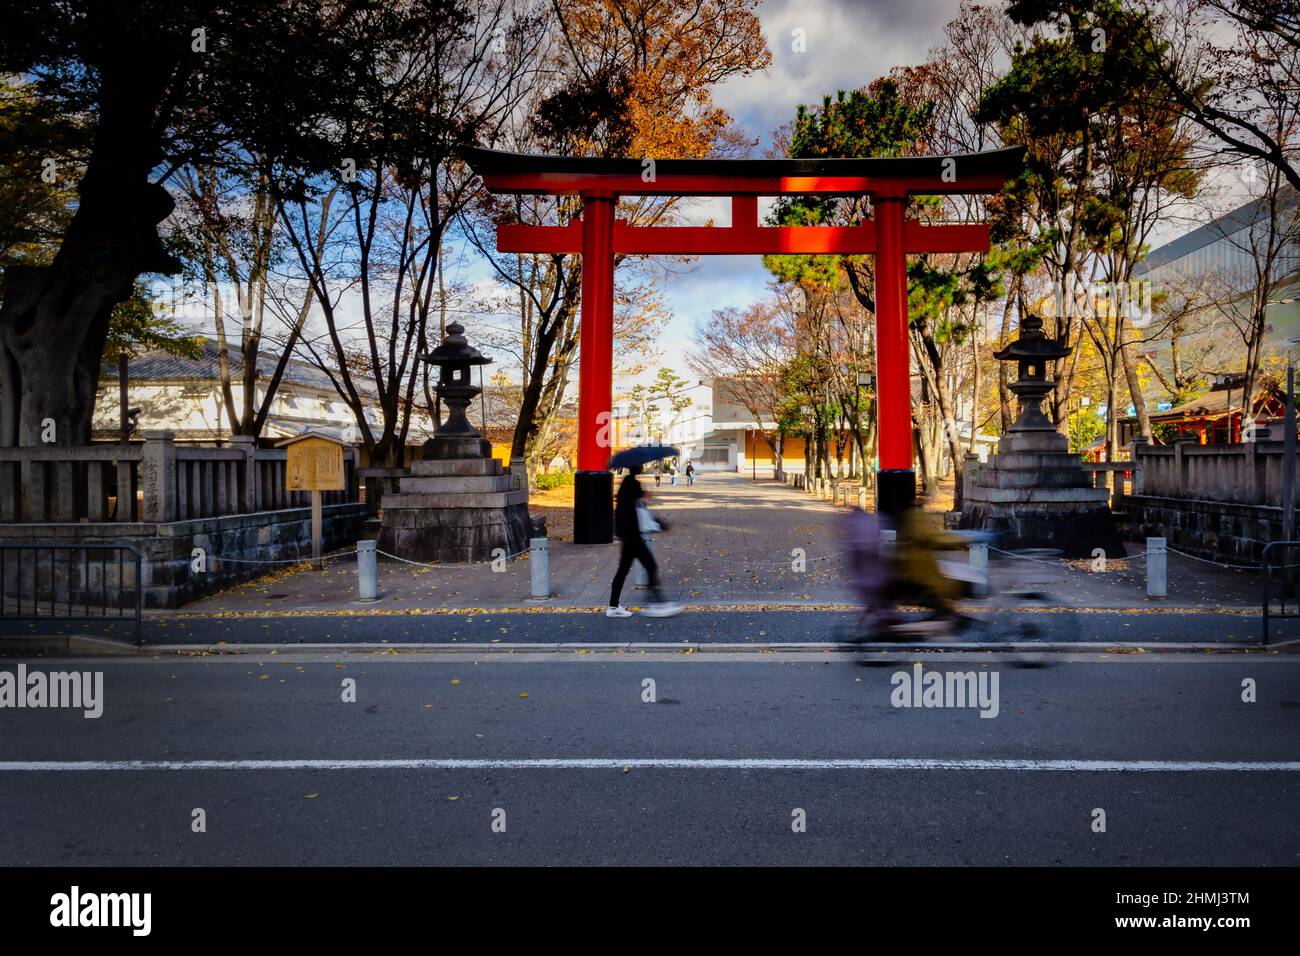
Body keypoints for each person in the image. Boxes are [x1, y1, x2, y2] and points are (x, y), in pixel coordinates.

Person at [607, 464, 682, 618]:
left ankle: (613, 606)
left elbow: (635, 503)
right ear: (638, 469)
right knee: (650, 566)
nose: (642, 468)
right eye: (641, 466)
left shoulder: (627, 483)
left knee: (625, 569)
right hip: (631, 535)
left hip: (628, 534)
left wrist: (644, 494)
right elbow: (640, 509)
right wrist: (645, 495)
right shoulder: (632, 484)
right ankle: (655, 603)